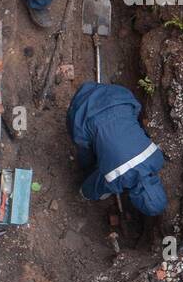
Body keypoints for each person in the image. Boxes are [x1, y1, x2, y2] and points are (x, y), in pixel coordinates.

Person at [67, 82, 168, 217]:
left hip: (117, 97)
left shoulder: (157, 158)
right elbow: (93, 186)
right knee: (86, 153)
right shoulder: (116, 179)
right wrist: (84, 194)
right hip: (83, 114)